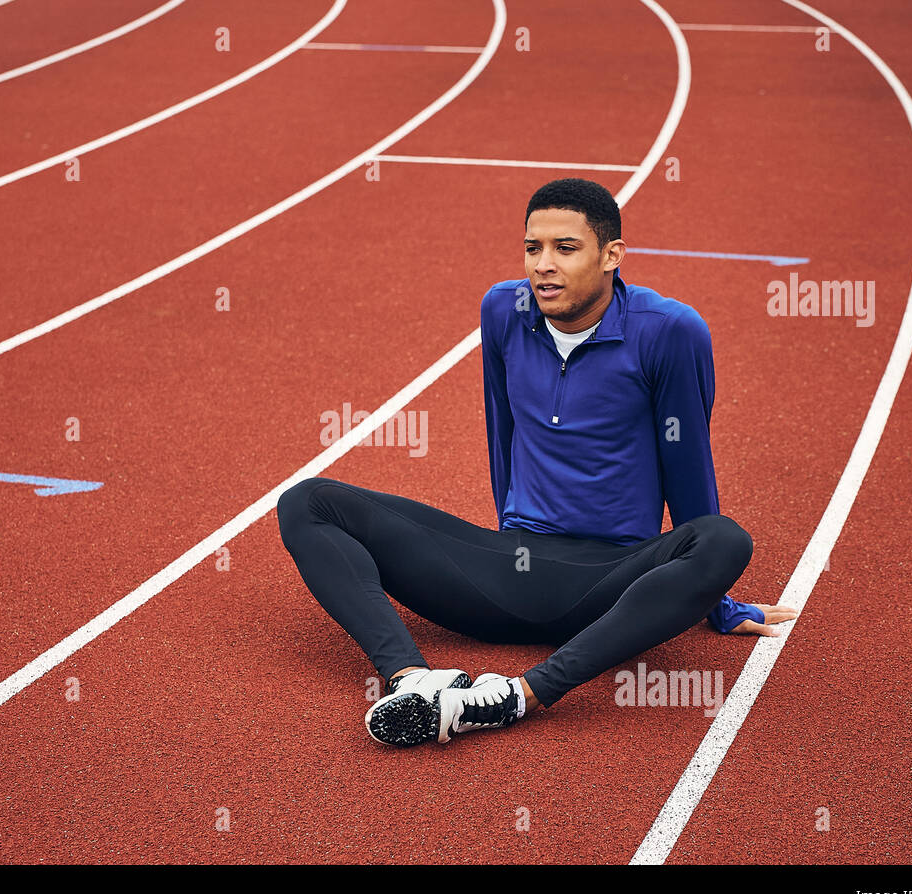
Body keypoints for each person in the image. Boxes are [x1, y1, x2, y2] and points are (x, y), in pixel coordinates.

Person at [277, 178, 797, 747]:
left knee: (725, 540)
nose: (543, 266)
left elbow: (689, 466)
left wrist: (714, 601)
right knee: (307, 501)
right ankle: (413, 681)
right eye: (533, 248)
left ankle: (515, 696)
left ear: (612, 256)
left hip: (610, 586)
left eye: (565, 249)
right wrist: (507, 545)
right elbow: (501, 433)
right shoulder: (505, 308)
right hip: (504, 571)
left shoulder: (670, 332)